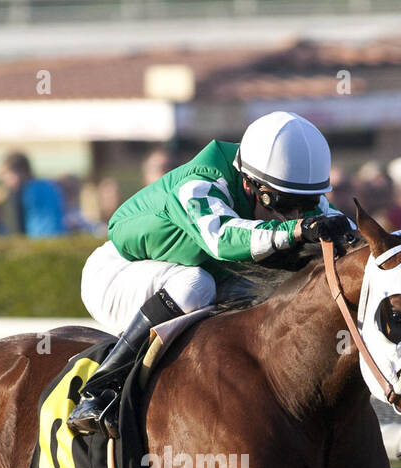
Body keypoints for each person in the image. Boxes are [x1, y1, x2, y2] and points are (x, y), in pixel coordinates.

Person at [67, 110, 352, 437]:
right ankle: (100, 390)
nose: (295, 213)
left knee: (271, 291)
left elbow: (348, 233)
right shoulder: (201, 182)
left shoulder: (284, 185)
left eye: (305, 203)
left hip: (183, 272)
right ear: (249, 183)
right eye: (283, 203)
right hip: (117, 274)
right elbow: (223, 239)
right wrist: (297, 230)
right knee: (196, 285)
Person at [0, 152, 64, 237]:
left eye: (5, 175)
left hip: (38, 241)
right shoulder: (49, 186)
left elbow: (17, 228)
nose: (4, 181)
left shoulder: (27, 191)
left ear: (21, 171)